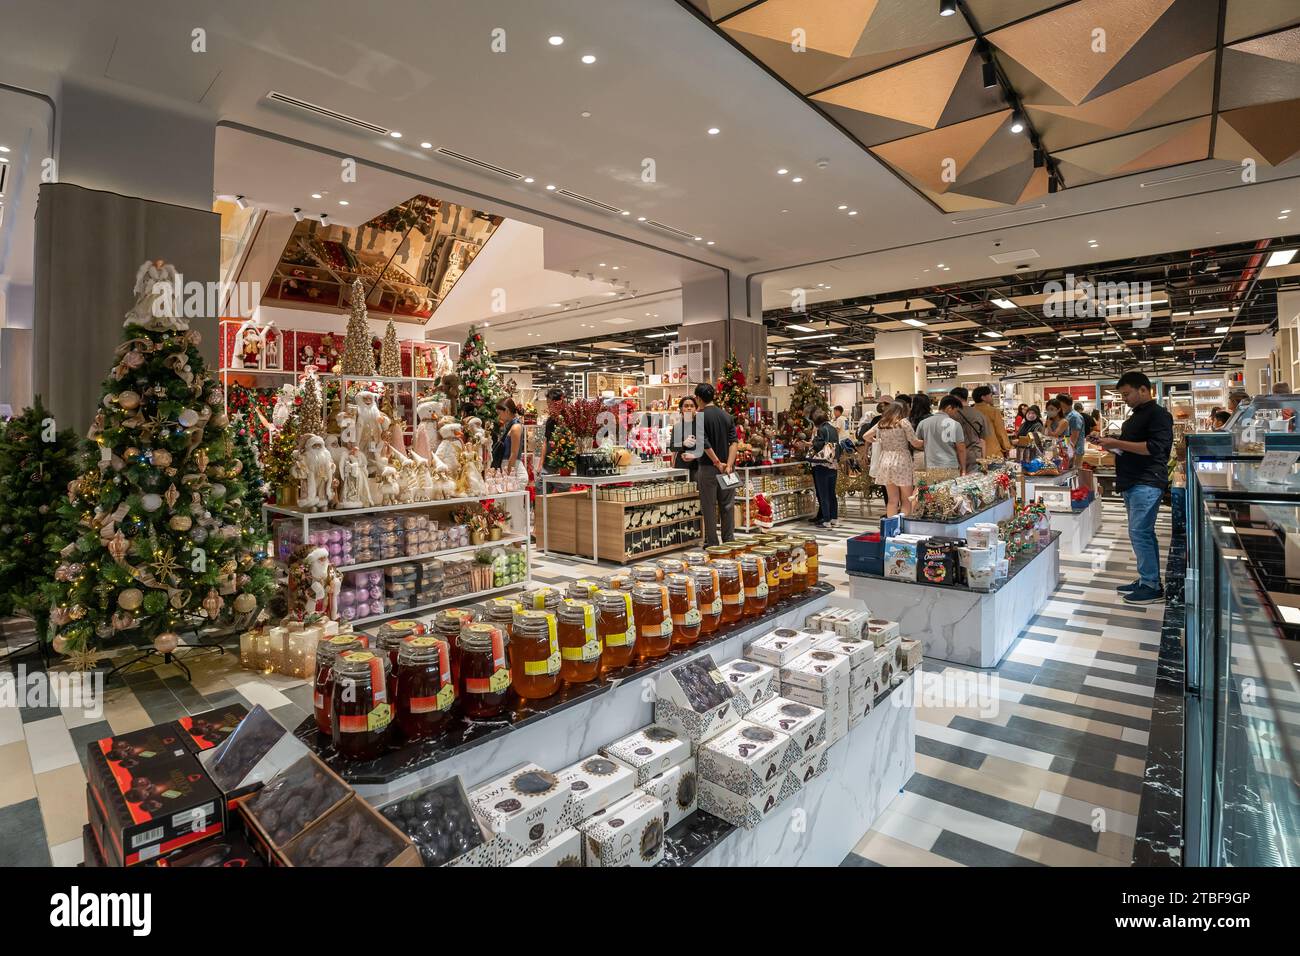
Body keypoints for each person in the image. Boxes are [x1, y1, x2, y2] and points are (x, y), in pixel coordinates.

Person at [1095, 370, 1173, 605]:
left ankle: (1151, 586)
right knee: (1140, 533)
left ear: (1143, 389)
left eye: (1127, 394)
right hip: (1133, 481)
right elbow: (1130, 447)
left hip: (1146, 481)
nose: (1125, 399)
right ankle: (1147, 578)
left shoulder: (1158, 414)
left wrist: (1116, 442)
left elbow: (1155, 448)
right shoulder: (1136, 415)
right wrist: (1110, 445)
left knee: (1140, 532)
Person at [861, 401, 923, 516]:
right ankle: (903, 528)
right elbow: (915, 443)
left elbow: (865, 436)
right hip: (901, 460)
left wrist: (877, 441)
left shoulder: (882, 423)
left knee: (892, 500)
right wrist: (926, 441)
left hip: (885, 459)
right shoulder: (903, 422)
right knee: (906, 499)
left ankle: (892, 527)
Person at [694, 382, 737, 547]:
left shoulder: (699, 417)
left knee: (709, 507)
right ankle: (729, 541)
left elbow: (704, 443)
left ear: (698, 398)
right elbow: (734, 443)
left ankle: (712, 543)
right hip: (728, 470)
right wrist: (729, 465)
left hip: (708, 468)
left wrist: (717, 463)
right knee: (727, 505)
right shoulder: (727, 416)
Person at [917, 396, 967, 473]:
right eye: (956, 411)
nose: (956, 414)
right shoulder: (955, 424)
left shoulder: (923, 423)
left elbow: (917, 444)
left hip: (930, 466)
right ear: (949, 408)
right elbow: (961, 449)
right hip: (950, 466)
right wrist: (963, 469)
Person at [809, 408, 840, 528]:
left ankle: (826, 520)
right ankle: (834, 519)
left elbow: (818, 445)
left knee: (823, 493)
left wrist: (810, 444)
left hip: (822, 464)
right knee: (832, 493)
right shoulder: (832, 429)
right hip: (833, 463)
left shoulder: (821, 429)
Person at [492, 398, 528, 485]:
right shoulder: (508, 426)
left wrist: (507, 474)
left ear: (507, 411)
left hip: (514, 472)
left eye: (499, 413)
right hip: (508, 470)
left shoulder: (516, 427)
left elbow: (514, 454)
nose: (499, 417)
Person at [972, 385, 1011, 457]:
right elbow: (1000, 432)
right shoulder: (993, 411)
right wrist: (1006, 448)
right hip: (992, 451)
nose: (992, 397)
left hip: (974, 452)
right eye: (990, 395)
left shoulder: (971, 411)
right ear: (983, 397)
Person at [948, 386, 987, 460]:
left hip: (957, 456)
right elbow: (983, 440)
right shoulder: (979, 414)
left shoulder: (951, 415)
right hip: (975, 455)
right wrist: (983, 460)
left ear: (955, 398)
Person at [669, 395, 704, 473]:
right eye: (686, 406)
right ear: (681, 409)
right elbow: (672, 447)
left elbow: (706, 447)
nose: (689, 408)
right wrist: (683, 443)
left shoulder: (700, 425)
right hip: (681, 467)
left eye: (692, 406)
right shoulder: (678, 426)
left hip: (697, 467)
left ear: (696, 408)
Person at [539, 387, 565, 473]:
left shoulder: (567, 419)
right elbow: (545, 442)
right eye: (548, 403)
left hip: (562, 465)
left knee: (561, 486)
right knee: (540, 485)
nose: (549, 406)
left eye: (550, 403)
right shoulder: (549, 421)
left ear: (559, 402)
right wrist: (540, 464)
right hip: (547, 464)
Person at [1060, 396, 1088, 462]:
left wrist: (1068, 452)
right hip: (1067, 450)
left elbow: (1074, 437)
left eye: (1060, 404)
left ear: (1064, 404)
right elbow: (1065, 435)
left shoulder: (1074, 416)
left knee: (1074, 471)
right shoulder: (1066, 415)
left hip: (1074, 452)